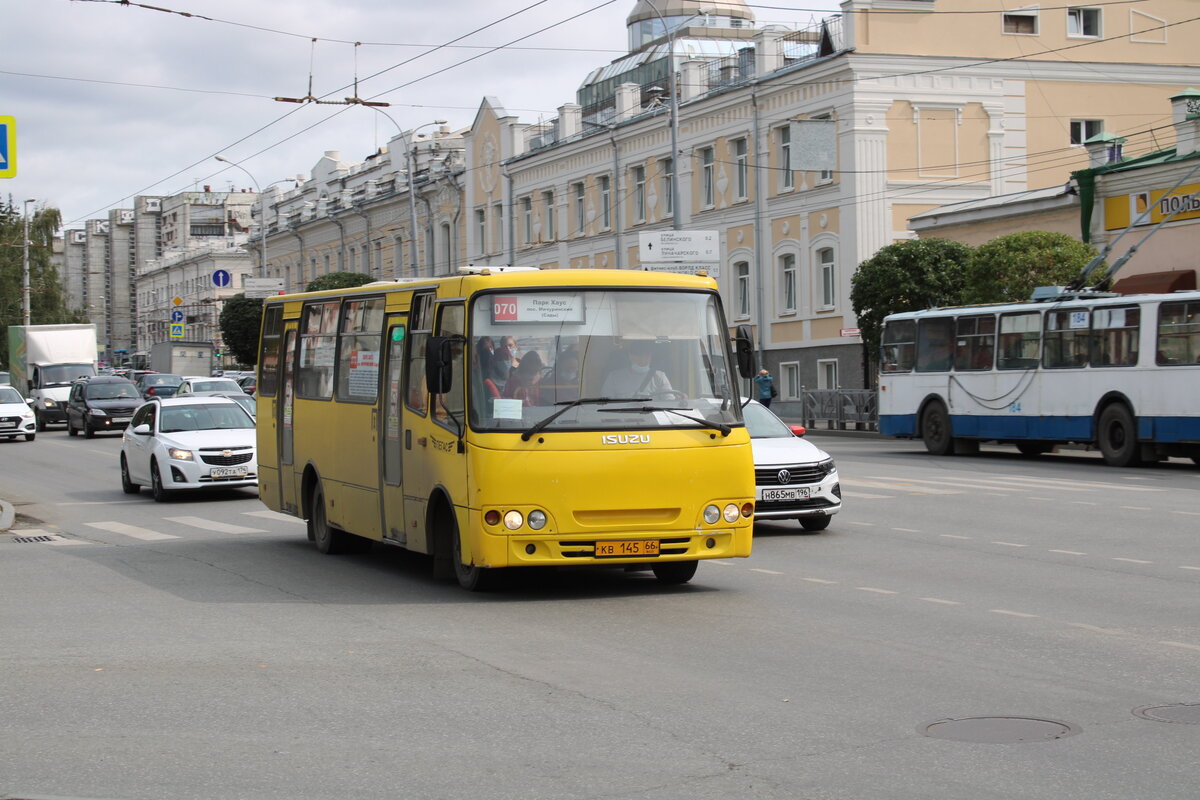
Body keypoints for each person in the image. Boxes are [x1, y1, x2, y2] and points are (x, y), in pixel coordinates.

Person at [601, 340, 673, 398]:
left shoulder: (660, 377)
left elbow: (669, 402)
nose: (643, 360)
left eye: (647, 355)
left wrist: (680, 400)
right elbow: (605, 403)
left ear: (651, 356)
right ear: (630, 356)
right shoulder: (614, 377)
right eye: (639, 356)